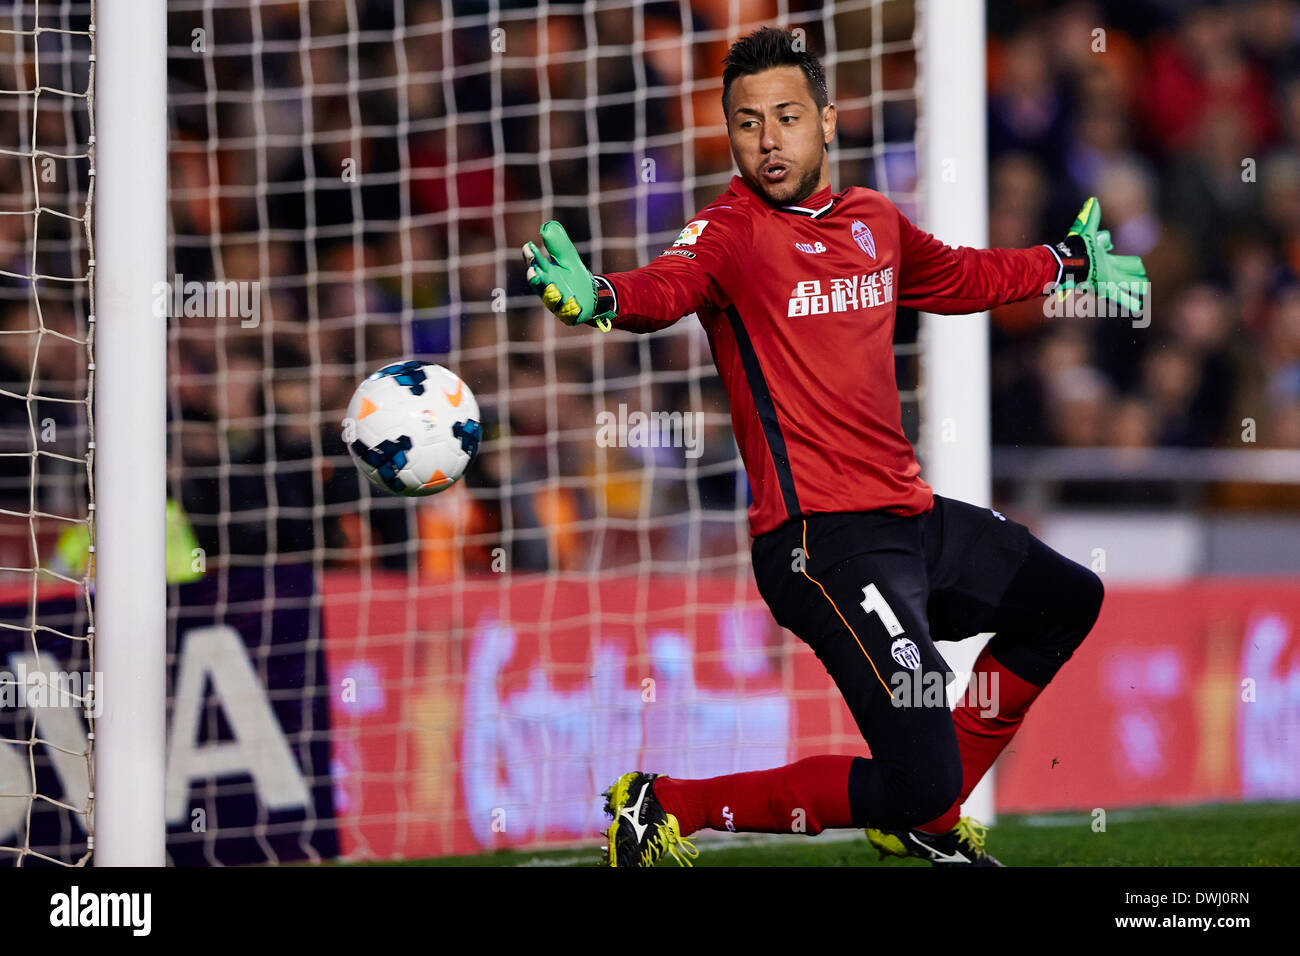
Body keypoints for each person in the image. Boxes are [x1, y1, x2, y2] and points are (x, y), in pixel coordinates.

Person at [522, 26, 1146, 867]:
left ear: (826, 120)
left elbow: (963, 276)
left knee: (1066, 600)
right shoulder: (729, 233)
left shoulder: (874, 221)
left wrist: (1063, 261)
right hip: (820, 543)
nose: (767, 140)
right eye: (747, 123)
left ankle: (926, 816)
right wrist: (599, 297)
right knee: (922, 775)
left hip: (910, 521)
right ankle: (665, 803)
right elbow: (662, 288)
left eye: (785, 117)